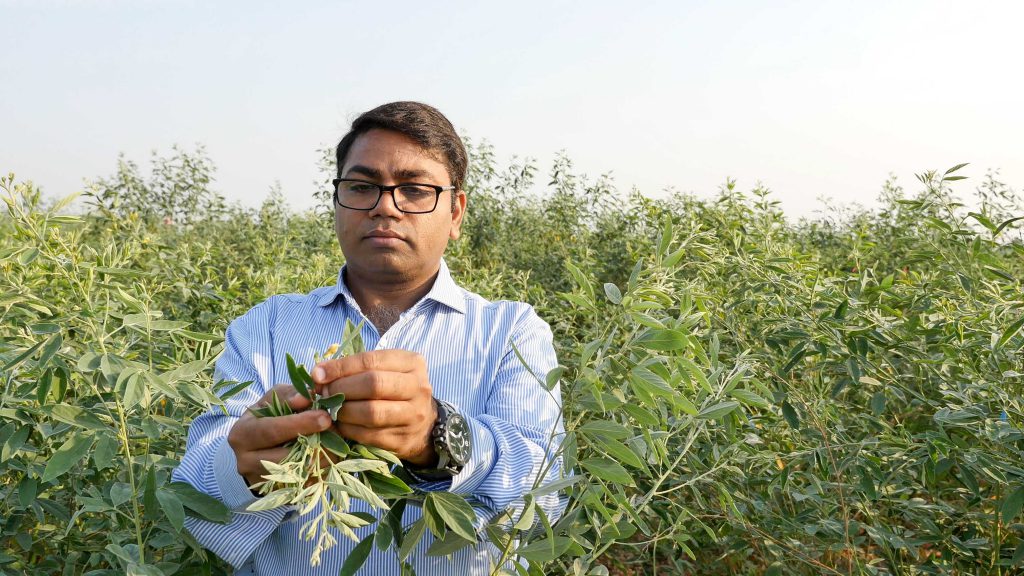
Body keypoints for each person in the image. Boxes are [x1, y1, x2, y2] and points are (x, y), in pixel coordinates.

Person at [172, 101, 566, 575]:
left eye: (415, 190)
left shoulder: (511, 332)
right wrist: (244, 472)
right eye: (362, 187)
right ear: (337, 203)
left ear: (456, 213)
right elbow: (192, 498)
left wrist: (440, 437)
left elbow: (545, 498)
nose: (385, 206)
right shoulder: (264, 327)